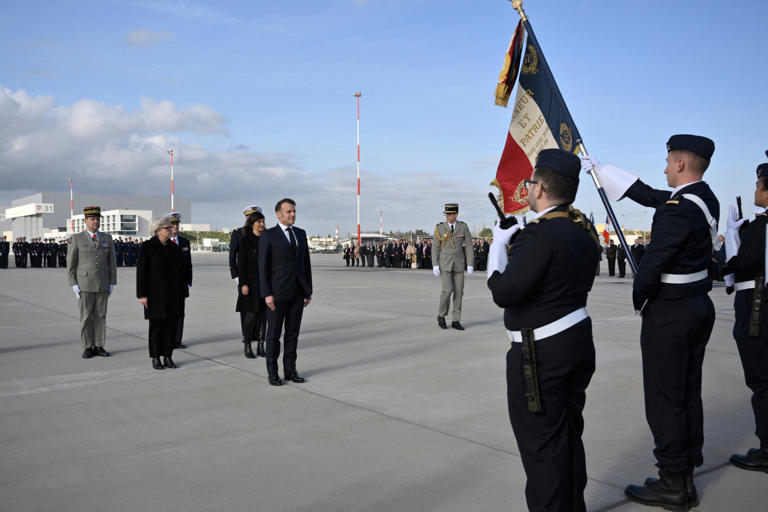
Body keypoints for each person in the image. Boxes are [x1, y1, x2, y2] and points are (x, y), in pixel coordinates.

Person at [582, 134, 719, 510]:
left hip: (671, 312)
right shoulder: (703, 198)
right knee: (686, 392)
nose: (664, 168)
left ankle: (672, 483)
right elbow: (652, 195)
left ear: (679, 164)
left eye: (667, 161)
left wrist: (640, 298)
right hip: (696, 305)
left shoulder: (678, 210)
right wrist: (605, 171)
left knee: (665, 397)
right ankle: (684, 475)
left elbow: (651, 266)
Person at [487, 148, 601, 512]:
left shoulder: (540, 234)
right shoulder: (581, 231)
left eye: (530, 183)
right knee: (567, 439)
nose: (528, 188)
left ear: (539, 188)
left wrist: (498, 248)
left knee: (542, 453)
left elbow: (504, 292)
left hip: (540, 358)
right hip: (574, 344)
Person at [722, 161, 768, 473]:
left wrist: (731, 240)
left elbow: (740, 266)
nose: (754, 190)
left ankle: (766, 449)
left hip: (757, 306)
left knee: (762, 381)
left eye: (758, 185)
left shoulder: (761, 227)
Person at [259, 198, 313, 386]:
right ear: (278, 214)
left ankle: (290, 370)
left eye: (294, 211)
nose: (293, 214)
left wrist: (308, 290)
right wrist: (267, 293)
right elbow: (263, 267)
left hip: (297, 293)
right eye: (289, 211)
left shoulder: (300, 234)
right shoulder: (269, 235)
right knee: (273, 335)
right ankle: (272, 373)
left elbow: (305, 264)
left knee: (292, 334)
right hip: (277, 294)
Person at [137, 216, 188, 370]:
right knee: (156, 327)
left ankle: (168, 356)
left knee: (170, 326)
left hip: (173, 294)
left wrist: (183, 292)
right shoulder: (147, 247)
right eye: (168, 227)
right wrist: (142, 295)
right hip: (155, 295)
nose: (172, 229)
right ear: (158, 230)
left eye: (172, 227)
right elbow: (142, 273)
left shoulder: (174, 248)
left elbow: (182, 272)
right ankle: (155, 357)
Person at [66, 206, 117, 359]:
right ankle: (88, 346)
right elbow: (71, 263)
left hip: (103, 283)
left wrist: (112, 281)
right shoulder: (77, 238)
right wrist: (73, 283)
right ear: (85, 221)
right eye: (92, 219)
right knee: (86, 316)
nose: (95, 222)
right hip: (85, 283)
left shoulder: (107, 238)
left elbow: (112, 262)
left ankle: (99, 345)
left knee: (101, 315)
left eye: (97, 219)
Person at [433, 203, 474, 330]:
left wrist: (470, 264)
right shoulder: (440, 228)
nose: (447, 216)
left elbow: (468, 246)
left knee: (459, 292)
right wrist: (435, 264)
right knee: (447, 290)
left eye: (450, 214)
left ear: (456, 214)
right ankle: (441, 315)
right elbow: (435, 247)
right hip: (445, 264)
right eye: (446, 214)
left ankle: (456, 320)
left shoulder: (463, 227)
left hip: (459, 264)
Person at [236, 210, 267, 359]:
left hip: (265, 283)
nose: (262, 224)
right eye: (259, 222)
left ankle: (261, 345)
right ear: (252, 223)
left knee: (264, 315)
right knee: (251, 315)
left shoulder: (267, 239)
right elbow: (241, 264)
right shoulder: (245, 240)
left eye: (263, 221)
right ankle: (247, 345)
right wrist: (243, 283)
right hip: (251, 283)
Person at [230, 206, 262, 349]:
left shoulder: (264, 234)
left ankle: (257, 335)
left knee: (260, 310)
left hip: (260, 279)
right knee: (247, 309)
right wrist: (237, 277)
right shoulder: (238, 233)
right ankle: (246, 335)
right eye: (249, 216)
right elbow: (233, 258)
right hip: (244, 278)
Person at [169, 212, 193, 349]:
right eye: (172, 224)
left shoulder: (184, 242)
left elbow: (188, 264)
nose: (175, 226)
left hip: (181, 285)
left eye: (177, 224)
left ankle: (177, 340)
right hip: (167, 286)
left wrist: (189, 282)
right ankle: (168, 339)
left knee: (180, 313)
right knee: (168, 313)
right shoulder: (163, 242)